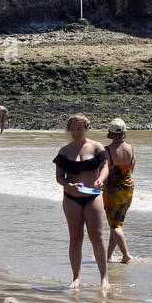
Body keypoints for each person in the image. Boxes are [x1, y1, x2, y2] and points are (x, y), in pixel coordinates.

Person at [52, 114, 109, 290]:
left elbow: (105, 167)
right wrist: (70, 185)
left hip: (93, 195)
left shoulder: (96, 147)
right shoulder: (64, 151)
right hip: (71, 197)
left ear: (86, 129)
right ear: (69, 130)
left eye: (80, 129)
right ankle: (76, 277)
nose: (76, 132)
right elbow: (59, 177)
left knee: (97, 236)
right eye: (73, 129)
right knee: (75, 238)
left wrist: (101, 179)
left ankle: (104, 278)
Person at [103, 118, 136, 264]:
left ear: (110, 133)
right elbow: (132, 168)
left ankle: (125, 254)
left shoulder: (107, 150)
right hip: (128, 189)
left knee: (115, 225)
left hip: (112, 191)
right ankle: (108, 256)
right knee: (116, 223)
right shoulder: (130, 148)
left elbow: (103, 171)